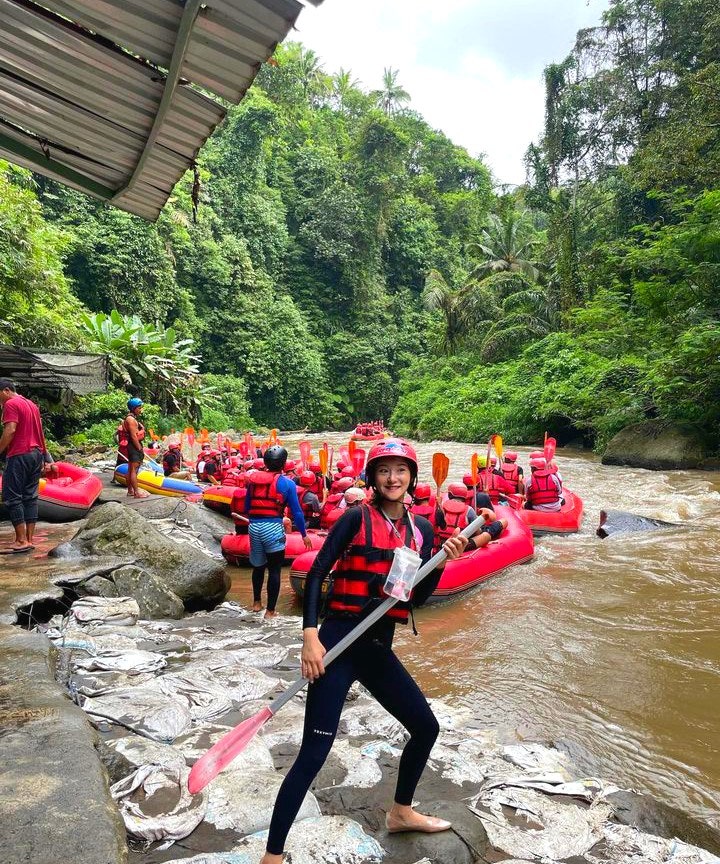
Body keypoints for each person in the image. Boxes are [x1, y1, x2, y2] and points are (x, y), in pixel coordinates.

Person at [259, 439, 478, 864]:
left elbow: (412, 598)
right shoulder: (356, 518)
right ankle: (273, 855)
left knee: (426, 728)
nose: (392, 478)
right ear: (373, 477)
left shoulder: (422, 531)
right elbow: (320, 569)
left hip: (377, 649)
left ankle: (401, 811)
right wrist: (310, 636)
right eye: (384, 471)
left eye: (400, 470)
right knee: (313, 755)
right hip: (337, 645)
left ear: (411, 477)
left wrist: (444, 560)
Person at [245, 445, 312, 619]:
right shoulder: (287, 483)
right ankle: (270, 611)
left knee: (258, 567)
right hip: (273, 528)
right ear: (283, 464)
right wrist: (304, 534)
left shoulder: (252, 481)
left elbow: (246, 506)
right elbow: (297, 512)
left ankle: (256, 603)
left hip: (253, 527)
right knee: (274, 570)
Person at [0, 379, 57, 553]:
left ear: (6, 390)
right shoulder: (31, 404)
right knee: (30, 497)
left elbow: (10, 430)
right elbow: (41, 432)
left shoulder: (11, 404)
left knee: (12, 496)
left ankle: (21, 540)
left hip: (20, 454)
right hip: (36, 454)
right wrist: (47, 458)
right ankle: (30, 539)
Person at [121, 398, 149, 499]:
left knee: (130, 469)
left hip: (131, 446)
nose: (140, 410)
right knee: (134, 470)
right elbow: (133, 436)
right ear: (134, 408)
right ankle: (137, 492)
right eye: (139, 408)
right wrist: (139, 449)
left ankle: (130, 490)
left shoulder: (130, 418)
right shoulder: (131, 420)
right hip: (134, 446)